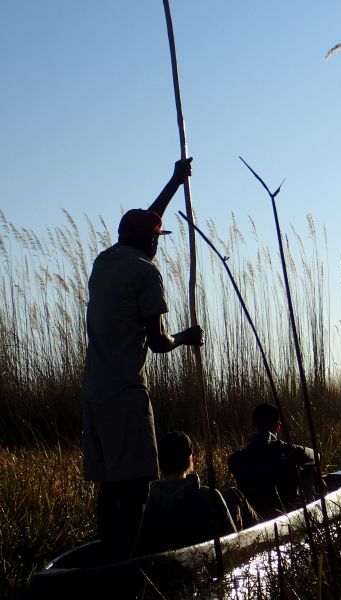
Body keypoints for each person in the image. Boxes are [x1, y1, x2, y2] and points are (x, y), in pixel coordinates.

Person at [80, 158, 204, 561]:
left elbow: (144, 225)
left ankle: (103, 563)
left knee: (110, 485)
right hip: (126, 395)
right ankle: (122, 568)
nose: (158, 243)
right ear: (151, 242)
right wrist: (186, 337)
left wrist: (174, 181)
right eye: (158, 238)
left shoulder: (104, 262)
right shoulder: (146, 275)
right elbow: (158, 343)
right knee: (137, 486)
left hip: (94, 394)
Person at [137, 432, 239, 555]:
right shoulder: (210, 496)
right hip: (205, 571)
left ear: (159, 461)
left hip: (162, 572)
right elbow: (234, 543)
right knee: (235, 496)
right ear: (191, 459)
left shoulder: (143, 505)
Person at [228, 404, 317, 518]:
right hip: (286, 515)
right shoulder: (289, 451)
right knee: (309, 468)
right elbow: (316, 456)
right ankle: (308, 509)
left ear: (253, 427)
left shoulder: (235, 459)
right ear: (278, 427)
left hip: (253, 518)